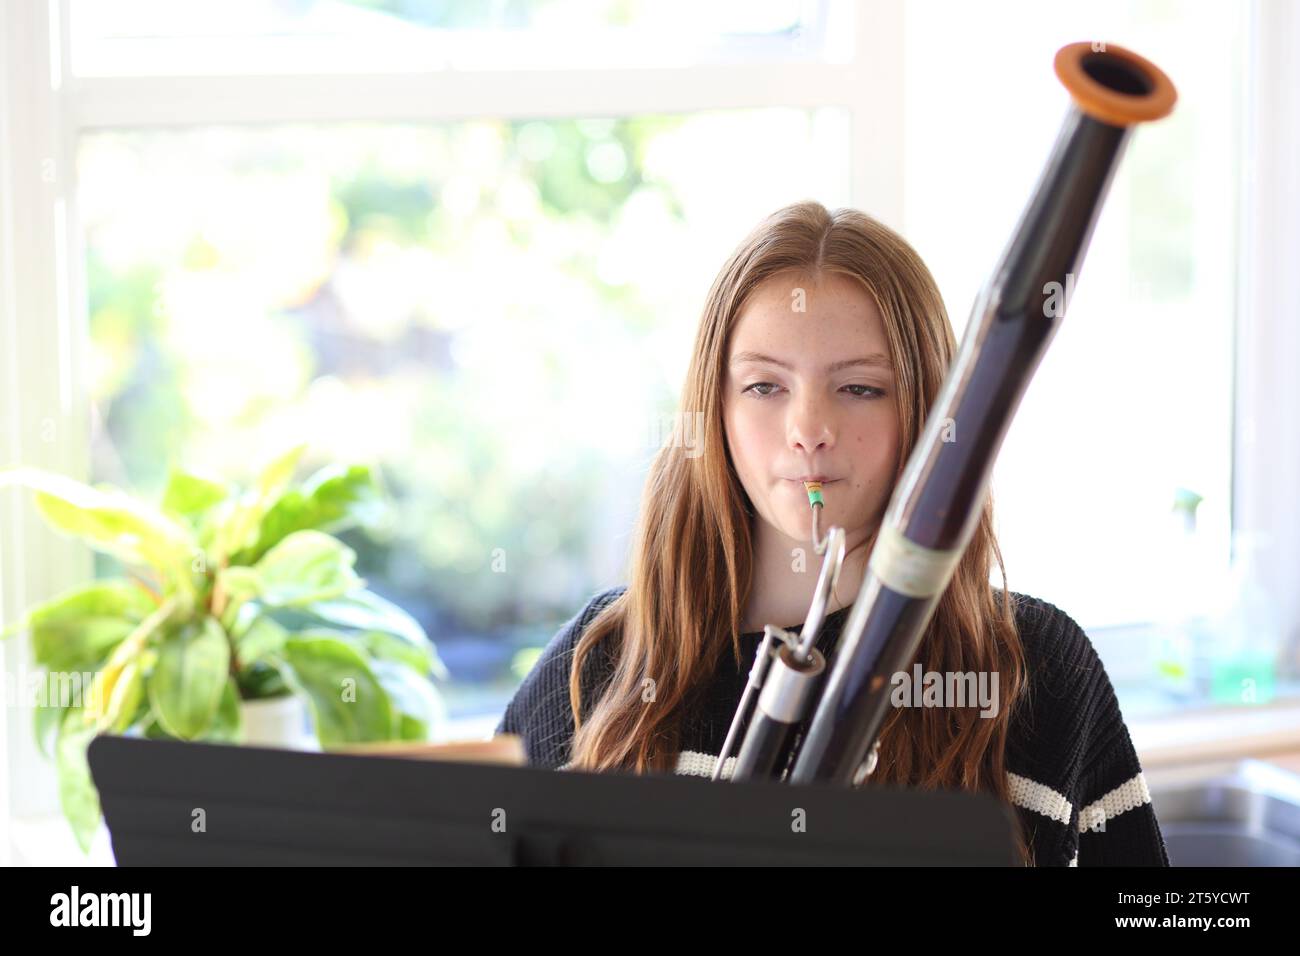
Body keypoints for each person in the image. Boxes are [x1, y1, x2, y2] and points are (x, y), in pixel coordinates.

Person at [497, 200, 1170, 866]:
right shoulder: (601, 663)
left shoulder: (1041, 670)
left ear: (929, 411)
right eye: (764, 387)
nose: (808, 430)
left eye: (861, 389)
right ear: (714, 408)